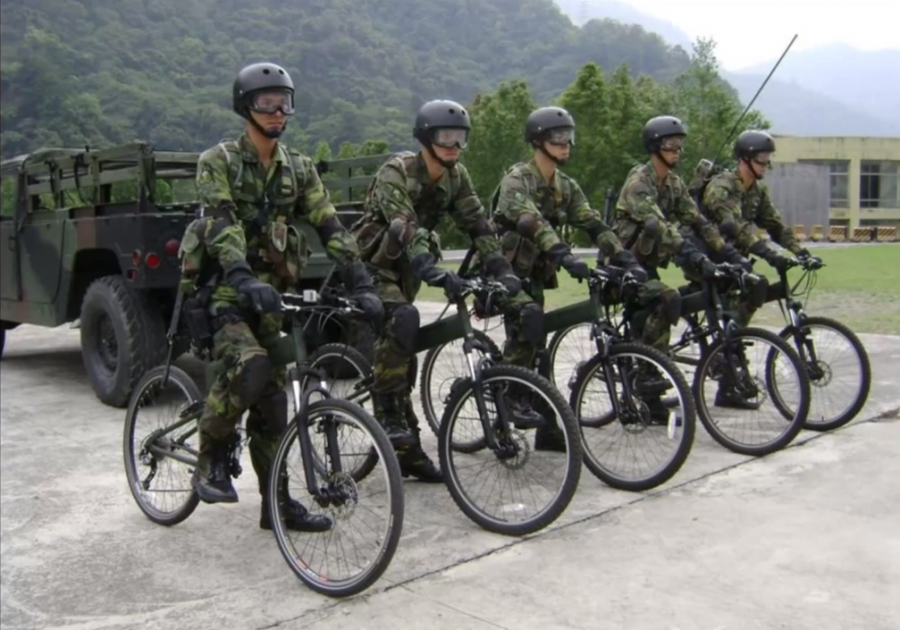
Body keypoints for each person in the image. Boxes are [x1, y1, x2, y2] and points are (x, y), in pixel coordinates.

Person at [178, 62, 383, 531]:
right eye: (265, 102)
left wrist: (361, 278)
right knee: (249, 366)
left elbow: (329, 223)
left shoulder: (299, 168)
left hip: (273, 297)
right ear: (245, 107)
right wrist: (243, 276)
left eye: (284, 102)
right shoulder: (219, 161)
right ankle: (209, 459)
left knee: (274, 404)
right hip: (226, 293)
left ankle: (277, 505)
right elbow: (221, 222)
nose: (277, 111)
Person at [352, 99, 523, 482]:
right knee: (403, 318)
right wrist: (432, 269)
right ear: (426, 137)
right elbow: (403, 224)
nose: (453, 145)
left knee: (406, 348)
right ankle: (388, 411)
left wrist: (501, 267)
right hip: (370, 267)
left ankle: (408, 453)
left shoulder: (455, 177)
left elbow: (478, 224)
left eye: (460, 137)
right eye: (445, 136)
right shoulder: (396, 172)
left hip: (409, 270)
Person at [491, 106, 647, 447]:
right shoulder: (517, 180)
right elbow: (533, 222)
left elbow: (592, 222)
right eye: (557, 138)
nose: (566, 145)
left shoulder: (565, 185)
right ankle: (511, 395)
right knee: (528, 324)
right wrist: (564, 255)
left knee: (540, 346)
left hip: (537, 272)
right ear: (538, 141)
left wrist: (623, 256)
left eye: (568, 137)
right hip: (504, 271)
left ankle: (548, 427)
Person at [614, 115, 755, 409]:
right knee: (667, 298)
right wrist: (694, 256)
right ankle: (648, 372)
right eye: (670, 144)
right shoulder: (639, 183)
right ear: (654, 146)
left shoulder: (674, 184)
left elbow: (700, 222)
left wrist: (730, 255)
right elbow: (661, 228)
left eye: (680, 145)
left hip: (648, 265)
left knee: (708, 288)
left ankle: (651, 397)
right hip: (623, 265)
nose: (677, 150)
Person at [702, 129, 812, 327]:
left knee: (756, 288)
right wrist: (767, 253)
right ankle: (724, 347)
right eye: (761, 159)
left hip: (736, 261)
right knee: (748, 288)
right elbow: (735, 226)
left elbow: (775, 225)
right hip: (708, 257)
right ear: (745, 158)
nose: (766, 165)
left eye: (768, 158)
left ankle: (734, 337)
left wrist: (801, 252)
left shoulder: (757, 191)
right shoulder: (721, 187)